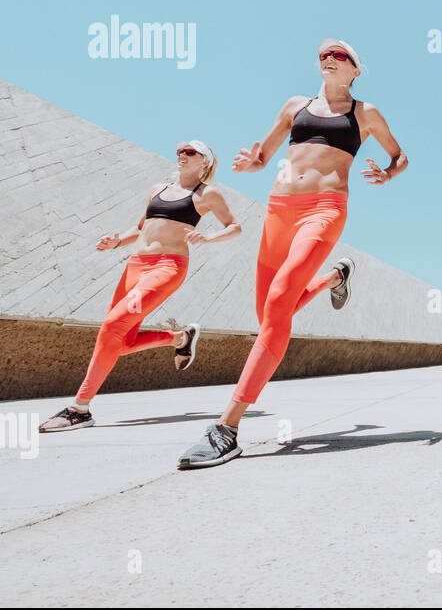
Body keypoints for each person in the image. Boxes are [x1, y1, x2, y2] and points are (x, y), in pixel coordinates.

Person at [177, 39, 407, 469]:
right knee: (269, 317)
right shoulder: (295, 106)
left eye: (339, 55)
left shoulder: (365, 114)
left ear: (356, 70)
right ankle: (333, 279)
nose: (328, 59)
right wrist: (252, 162)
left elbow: (400, 155)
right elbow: (264, 154)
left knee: (281, 300)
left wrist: (388, 173)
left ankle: (226, 428)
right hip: (279, 211)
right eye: (323, 54)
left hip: (324, 210)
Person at [39, 141, 241, 432]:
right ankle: (180, 338)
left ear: (205, 162)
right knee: (119, 342)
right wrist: (117, 241)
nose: (181, 155)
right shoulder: (156, 190)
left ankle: (79, 408)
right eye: (180, 151)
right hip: (135, 265)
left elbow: (234, 226)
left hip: (167, 266)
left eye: (190, 152)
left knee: (112, 325)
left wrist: (207, 238)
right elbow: (141, 228)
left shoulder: (206, 194)